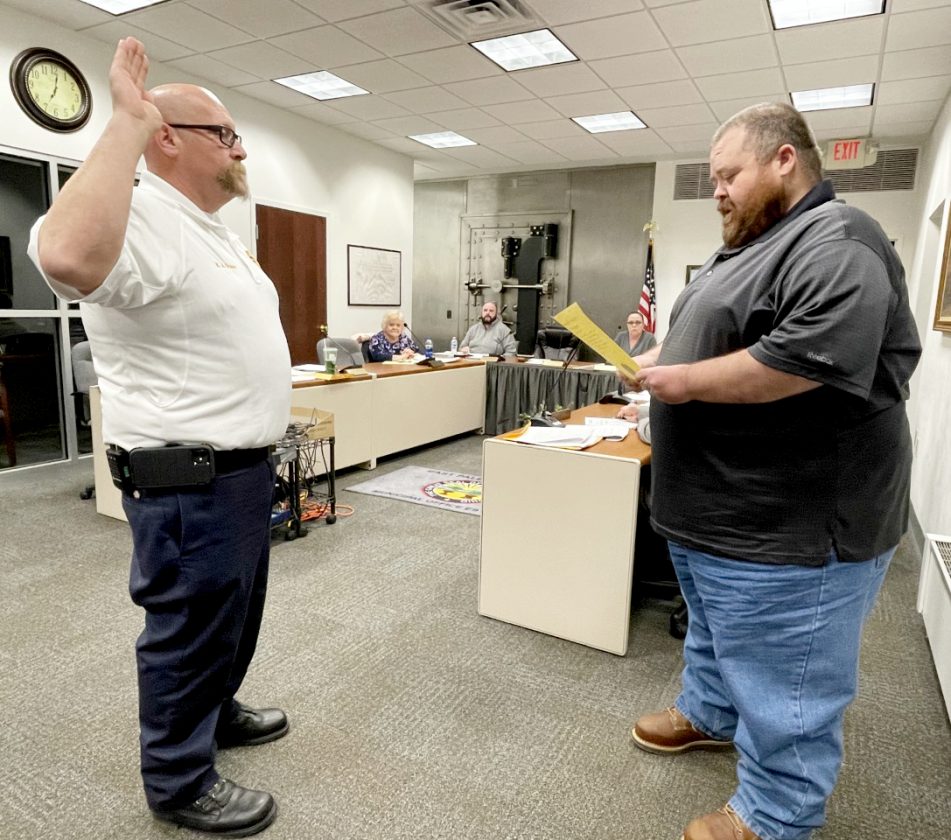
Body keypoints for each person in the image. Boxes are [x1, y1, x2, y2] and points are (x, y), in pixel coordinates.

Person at [623, 102, 921, 840]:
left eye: (728, 174)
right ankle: (709, 715)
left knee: (786, 681)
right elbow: (721, 332)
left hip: (790, 527)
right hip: (714, 516)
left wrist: (686, 383)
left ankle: (776, 813)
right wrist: (669, 357)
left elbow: (808, 355)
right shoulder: (752, 246)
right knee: (718, 640)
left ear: (784, 159)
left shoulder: (837, 235)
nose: (716, 189)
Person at [27, 38, 291, 837]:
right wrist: (127, 124)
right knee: (188, 628)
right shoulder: (139, 212)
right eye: (225, 134)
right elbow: (67, 254)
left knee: (234, 617)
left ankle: (214, 713)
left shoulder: (207, 228)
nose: (240, 147)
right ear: (168, 137)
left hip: (239, 474)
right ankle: (178, 780)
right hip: (189, 483)